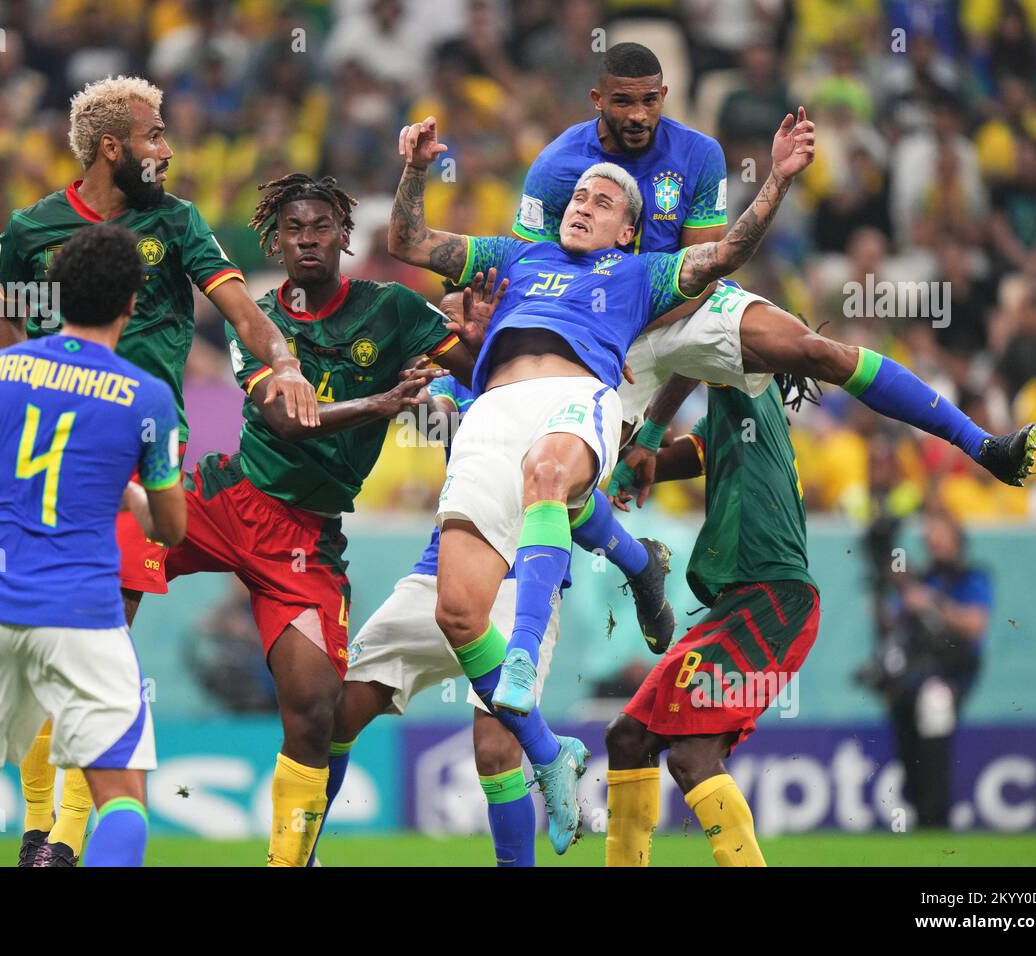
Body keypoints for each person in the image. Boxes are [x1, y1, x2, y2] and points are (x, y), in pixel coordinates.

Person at [0, 74, 314, 866]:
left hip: (117, 461)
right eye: (154, 136)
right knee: (95, 701)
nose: (166, 150)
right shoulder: (30, 231)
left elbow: (246, 316)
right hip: (94, 468)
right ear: (111, 146)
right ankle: (49, 835)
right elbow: (4, 343)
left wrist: (286, 362)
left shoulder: (179, 222)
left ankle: (52, 840)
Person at [386, 104, 815, 852]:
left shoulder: (638, 272)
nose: (584, 205)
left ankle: (521, 657)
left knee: (551, 476)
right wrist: (415, 170)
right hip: (492, 414)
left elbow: (722, 258)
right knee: (457, 613)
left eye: (605, 201)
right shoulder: (511, 257)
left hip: (576, 399)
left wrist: (775, 181)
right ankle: (553, 751)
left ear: (627, 229)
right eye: (579, 195)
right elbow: (408, 242)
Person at [515, 42, 1036, 507]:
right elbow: (531, 277)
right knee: (562, 480)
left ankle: (982, 445)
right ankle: (625, 569)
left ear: (665, 94)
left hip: (675, 308)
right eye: (622, 101)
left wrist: (652, 432)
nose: (637, 114)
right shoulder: (556, 166)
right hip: (600, 329)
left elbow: (698, 277)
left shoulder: (697, 154)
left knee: (816, 351)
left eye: (649, 100)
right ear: (596, 99)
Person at [159, 173, 479, 867]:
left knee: (314, 710)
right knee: (106, 557)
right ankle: (55, 823)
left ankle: (289, 862)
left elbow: (475, 367)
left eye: (321, 227)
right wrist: (383, 404)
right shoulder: (259, 318)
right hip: (230, 501)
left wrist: (487, 341)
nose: (308, 239)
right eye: (294, 230)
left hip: (304, 537)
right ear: (276, 238)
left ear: (343, 234)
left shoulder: (392, 309)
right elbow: (284, 416)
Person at [0, 223, 187, 867]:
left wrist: (2, 476)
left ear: (56, 298)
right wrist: (128, 498)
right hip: (84, 614)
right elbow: (171, 530)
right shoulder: (145, 397)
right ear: (131, 303)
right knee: (121, 796)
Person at [321, 278, 578, 867]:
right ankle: (298, 851)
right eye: (445, 316)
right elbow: (438, 419)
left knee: (493, 752)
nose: (452, 325)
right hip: (439, 571)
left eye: (463, 311)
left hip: (519, 580)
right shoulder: (455, 384)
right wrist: (405, 397)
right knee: (337, 714)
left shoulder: (554, 382)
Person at [603, 372, 820, 868]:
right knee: (628, 737)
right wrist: (602, 455)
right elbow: (662, 462)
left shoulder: (747, 386)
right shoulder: (730, 418)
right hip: (739, 602)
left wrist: (651, 428)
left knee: (690, 756)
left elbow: (707, 318)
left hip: (772, 599)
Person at [874, 508, 992, 829]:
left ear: (957, 540)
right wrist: (883, 589)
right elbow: (892, 621)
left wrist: (929, 602)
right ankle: (918, 809)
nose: (934, 543)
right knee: (904, 726)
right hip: (915, 673)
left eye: (940, 536)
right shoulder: (923, 577)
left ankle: (936, 815)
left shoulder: (971, 576)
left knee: (935, 710)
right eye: (930, 538)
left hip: (951, 671)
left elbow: (974, 624)